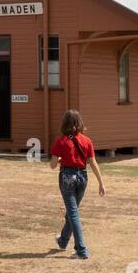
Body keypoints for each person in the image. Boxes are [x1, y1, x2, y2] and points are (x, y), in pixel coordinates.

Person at [48, 109, 105, 259]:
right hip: (83, 177)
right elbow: (92, 162)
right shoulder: (87, 141)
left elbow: (52, 165)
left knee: (73, 213)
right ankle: (63, 241)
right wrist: (101, 182)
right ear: (79, 123)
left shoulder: (61, 141)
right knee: (72, 211)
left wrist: (61, 159)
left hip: (67, 176)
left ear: (64, 123)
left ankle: (81, 250)